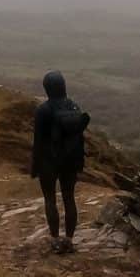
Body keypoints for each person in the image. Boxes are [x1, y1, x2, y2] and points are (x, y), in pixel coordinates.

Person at [30, 70, 90, 254]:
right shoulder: (74, 106)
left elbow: (38, 140)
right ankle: (69, 240)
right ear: (63, 86)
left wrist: (35, 165)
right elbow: (78, 137)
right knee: (69, 198)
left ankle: (55, 239)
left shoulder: (43, 110)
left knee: (50, 199)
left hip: (49, 161)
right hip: (71, 160)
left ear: (47, 88)